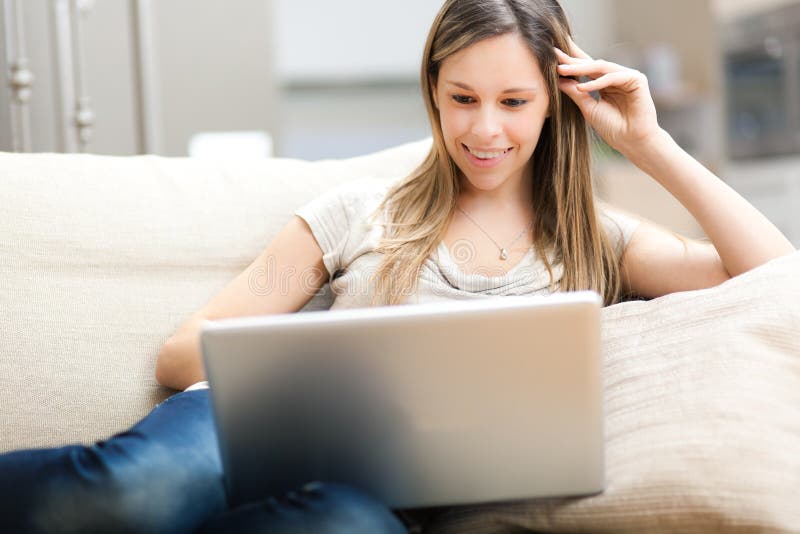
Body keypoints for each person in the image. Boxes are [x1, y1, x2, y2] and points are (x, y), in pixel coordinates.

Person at [1, 0, 795, 532]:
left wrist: (647, 144)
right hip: (230, 439)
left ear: (556, 101)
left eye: (513, 101)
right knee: (133, 494)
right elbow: (185, 350)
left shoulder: (600, 241)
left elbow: (772, 275)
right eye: (462, 98)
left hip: (374, 502)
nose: (484, 129)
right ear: (433, 92)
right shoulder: (358, 213)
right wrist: (307, 377)